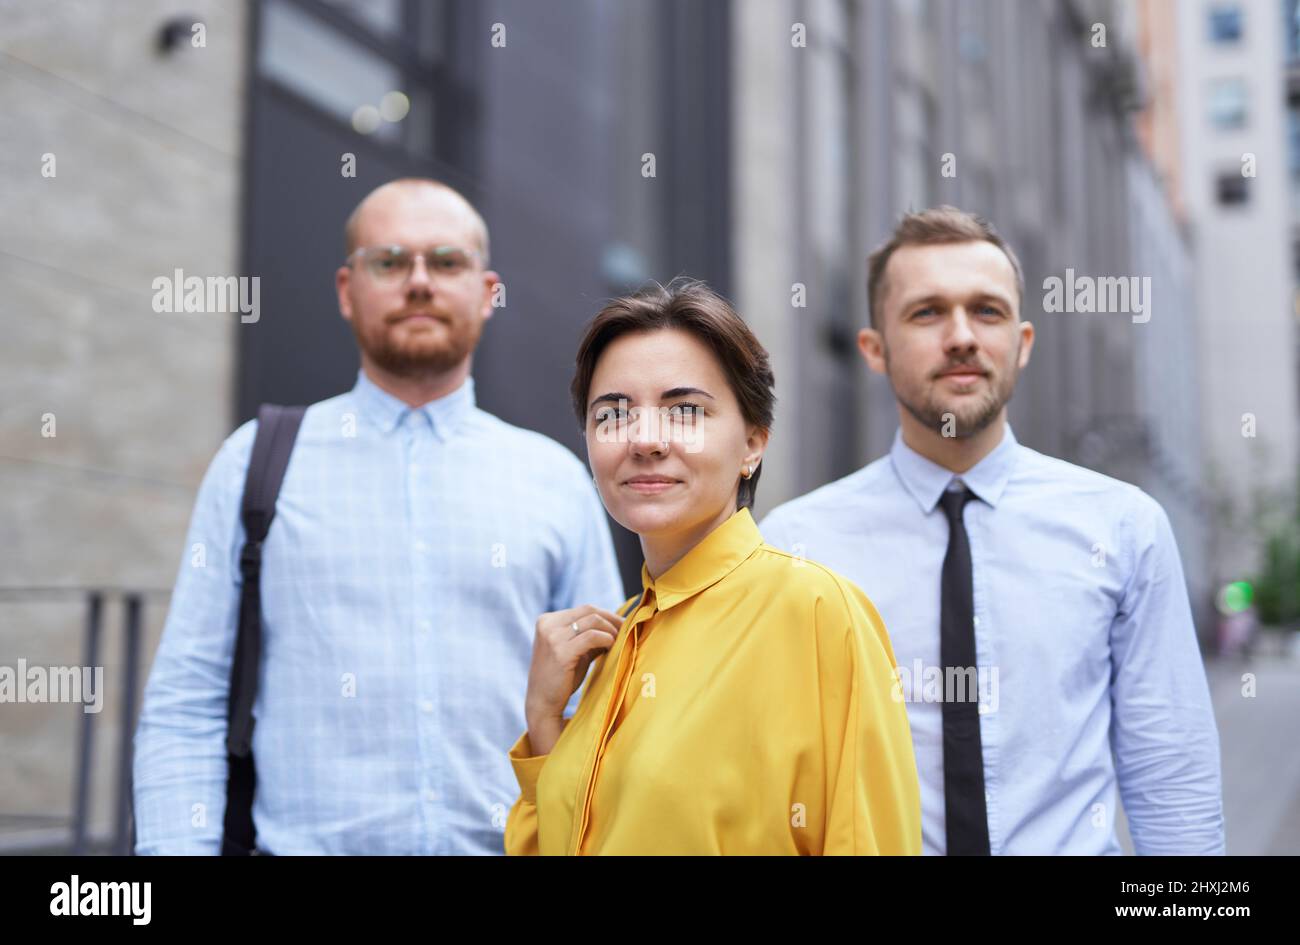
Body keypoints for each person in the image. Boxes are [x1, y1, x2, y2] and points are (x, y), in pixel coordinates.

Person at [133, 178, 623, 854]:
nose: (418, 282)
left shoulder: (558, 482)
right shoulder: (257, 462)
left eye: (446, 262)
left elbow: (601, 714)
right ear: (345, 289)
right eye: (389, 262)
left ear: (487, 292)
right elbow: (187, 701)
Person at [761, 206, 1225, 855]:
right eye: (927, 312)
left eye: (987, 311)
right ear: (874, 347)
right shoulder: (794, 545)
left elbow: (1171, 773)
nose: (961, 337)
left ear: (1023, 341)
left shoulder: (1124, 527)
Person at [503, 280, 921, 855]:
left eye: (685, 411)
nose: (645, 440)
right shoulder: (616, 641)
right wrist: (547, 720)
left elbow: (867, 839)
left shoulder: (817, 612)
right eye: (613, 414)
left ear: (752, 443)